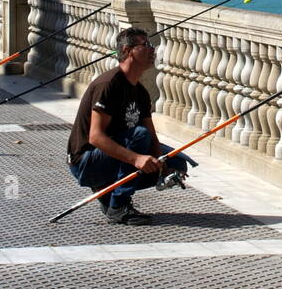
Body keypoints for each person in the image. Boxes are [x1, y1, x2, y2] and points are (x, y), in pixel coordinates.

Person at [66, 26, 192, 225]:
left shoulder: (140, 92)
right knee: (139, 136)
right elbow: (95, 137)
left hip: (113, 154)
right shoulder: (108, 85)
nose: (152, 50)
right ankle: (118, 206)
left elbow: (152, 136)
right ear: (127, 50)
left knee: (176, 162)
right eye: (145, 45)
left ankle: (108, 193)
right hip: (86, 161)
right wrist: (137, 159)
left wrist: (162, 166)